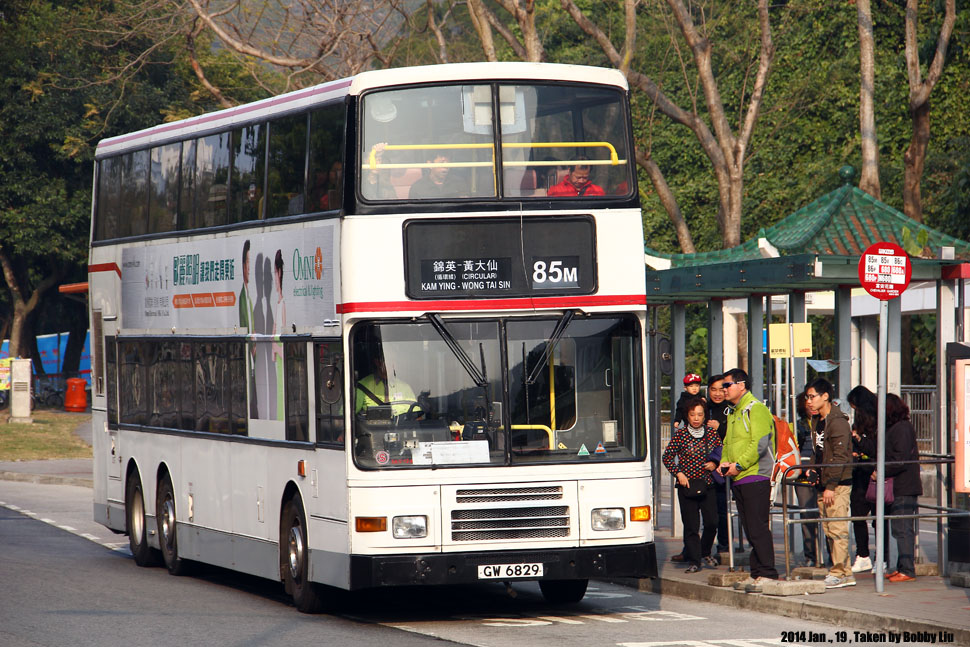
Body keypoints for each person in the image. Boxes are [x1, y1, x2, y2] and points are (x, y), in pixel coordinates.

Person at [719, 368, 779, 592]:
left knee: (758, 527)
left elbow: (760, 444)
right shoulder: (734, 411)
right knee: (749, 527)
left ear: (741, 385)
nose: (724, 390)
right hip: (739, 477)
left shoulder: (756, 409)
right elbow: (727, 443)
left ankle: (768, 572)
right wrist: (725, 463)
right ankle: (757, 572)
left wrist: (740, 465)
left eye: (727, 385)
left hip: (755, 475)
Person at [805, 378, 856, 589]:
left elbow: (840, 456)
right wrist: (812, 469)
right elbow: (819, 451)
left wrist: (831, 486)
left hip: (838, 483)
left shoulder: (837, 421)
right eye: (807, 398)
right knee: (829, 529)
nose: (808, 401)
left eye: (812, 397)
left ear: (825, 396)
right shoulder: (819, 421)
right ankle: (844, 572)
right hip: (824, 481)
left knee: (837, 528)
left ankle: (838, 572)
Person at [662, 396, 722, 573]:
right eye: (692, 414)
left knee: (712, 522)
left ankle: (704, 551)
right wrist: (678, 473)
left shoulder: (712, 434)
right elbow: (667, 458)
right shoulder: (680, 435)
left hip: (708, 484)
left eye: (700, 414)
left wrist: (715, 464)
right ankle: (695, 561)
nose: (696, 418)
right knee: (691, 526)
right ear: (687, 416)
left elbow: (722, 453)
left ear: (705, 416)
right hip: (686, 486)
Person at [882, 393, 922, 583]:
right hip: (900, 485)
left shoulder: (901, 429)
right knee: (899, 528)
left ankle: (908, 569)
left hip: (904, 485)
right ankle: (902, 566)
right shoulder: (896, 428)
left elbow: (900, 459)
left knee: (903, 528)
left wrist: (881, 470)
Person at [846, 385, 885, 573]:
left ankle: (881, 558)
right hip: (861, 473)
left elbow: (876, 448)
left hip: (876, 474)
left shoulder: (880, 421)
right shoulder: (858, 423)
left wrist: (859, 440)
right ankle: (863, 555)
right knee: (858, 514)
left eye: (855, 407)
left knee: (879, 519)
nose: (854, 411)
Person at [791, 390, 821, 567]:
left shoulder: (826, 424)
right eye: (807, 400)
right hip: (803, 476)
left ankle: (831, 556)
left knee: (826, 517)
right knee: (807, 515)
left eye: (813, 399)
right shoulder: (799, 425)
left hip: (821, 474)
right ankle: (811, 555)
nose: (811, 404)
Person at [706, 374, 731, 553]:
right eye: (713, 389)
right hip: (703, 467)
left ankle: (724, 545)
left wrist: (719, 428)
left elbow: (734, 436)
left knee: (722, 509)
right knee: (705, 512)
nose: (717, 394)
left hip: (723, 467)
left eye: (721, 389)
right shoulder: (703, 407)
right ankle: (697, 549)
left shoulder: (731, 409)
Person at [354, 355, 420, 418]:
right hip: (373, 429)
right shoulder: (362, 386)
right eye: (388, 360)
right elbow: (347, 416)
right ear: (377, 362)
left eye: (394, 362)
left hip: (400, 429)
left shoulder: (405, 387)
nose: (392, 365)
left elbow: (416, 416)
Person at [271, 250, 287, 421]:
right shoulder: (277, 303)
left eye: (276, 272)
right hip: (278, 360)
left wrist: (275, 346)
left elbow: (283, 338)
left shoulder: (282, 304)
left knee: (282, 392)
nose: (275, 278)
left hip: (282, 361)